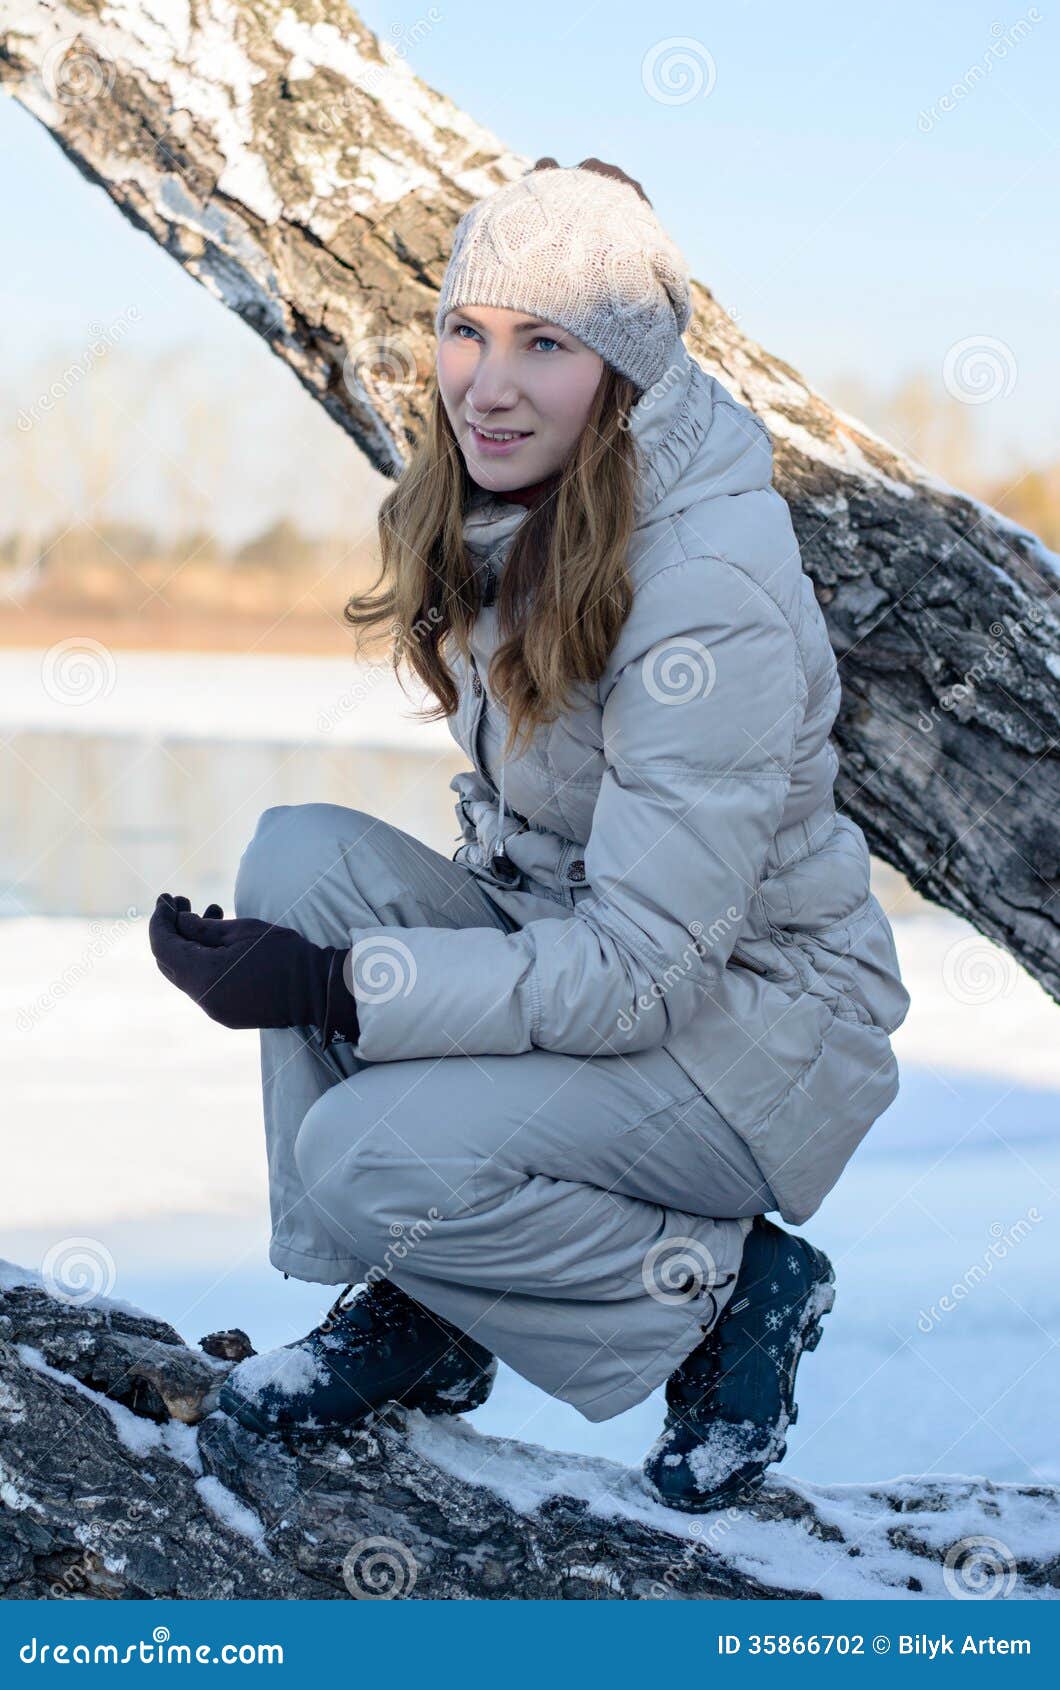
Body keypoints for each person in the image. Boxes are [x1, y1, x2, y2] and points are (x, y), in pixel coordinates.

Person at [149, 157, 911, 1511]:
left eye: (545, 344)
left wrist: (337, 987)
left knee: (363, 1147)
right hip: (618, 963)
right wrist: (328, 951)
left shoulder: (707, 590)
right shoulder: (527, 505)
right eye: (469, 332)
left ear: (620, 373)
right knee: (296, 861)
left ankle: (725, 1295)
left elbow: (641, 970)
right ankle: (428, 1309)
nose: (486, 384)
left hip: (754, 1034)